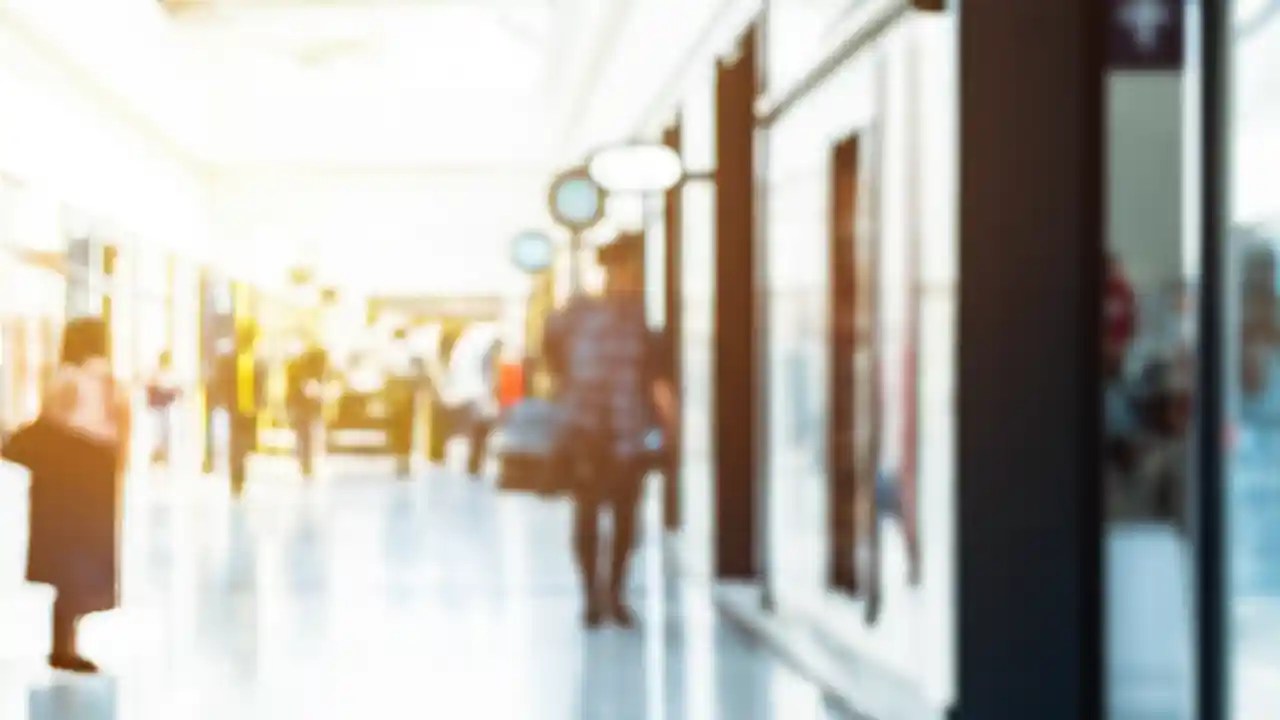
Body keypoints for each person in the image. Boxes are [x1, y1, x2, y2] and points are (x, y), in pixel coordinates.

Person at [543, 233, 676, 629]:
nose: (628, 278)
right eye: (623, 269)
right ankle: (591, 596)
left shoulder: (642, 321)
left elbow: (657, 380)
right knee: (586, 517)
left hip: (627, 434)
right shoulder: (577, 315)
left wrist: (667, 430)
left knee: (623, 520)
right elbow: (554, 361)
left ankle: (614, 594)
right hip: (586, 431)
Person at [1, 317, 130, 673]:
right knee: (79, 565)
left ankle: (63, 645)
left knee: (68, 567)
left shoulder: (68, 377)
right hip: (88, 480)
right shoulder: (97, 379)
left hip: (64, 485)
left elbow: (52, 423)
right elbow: (113, 427)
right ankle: (64, 647)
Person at [286, 344, 327, 479]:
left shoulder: (296, 368)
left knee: (304, 435)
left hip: (302, 406)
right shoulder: (307, 369)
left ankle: (305, 462)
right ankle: (305, 463)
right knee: (305, 435)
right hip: (303, 406)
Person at [146, 351, 180, 466]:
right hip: (159, 407)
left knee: (163, 431)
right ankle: (159, 455)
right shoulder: (158, 373)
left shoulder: (165, 373)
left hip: (163, 407)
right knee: (159, 431)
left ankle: (162, 455)